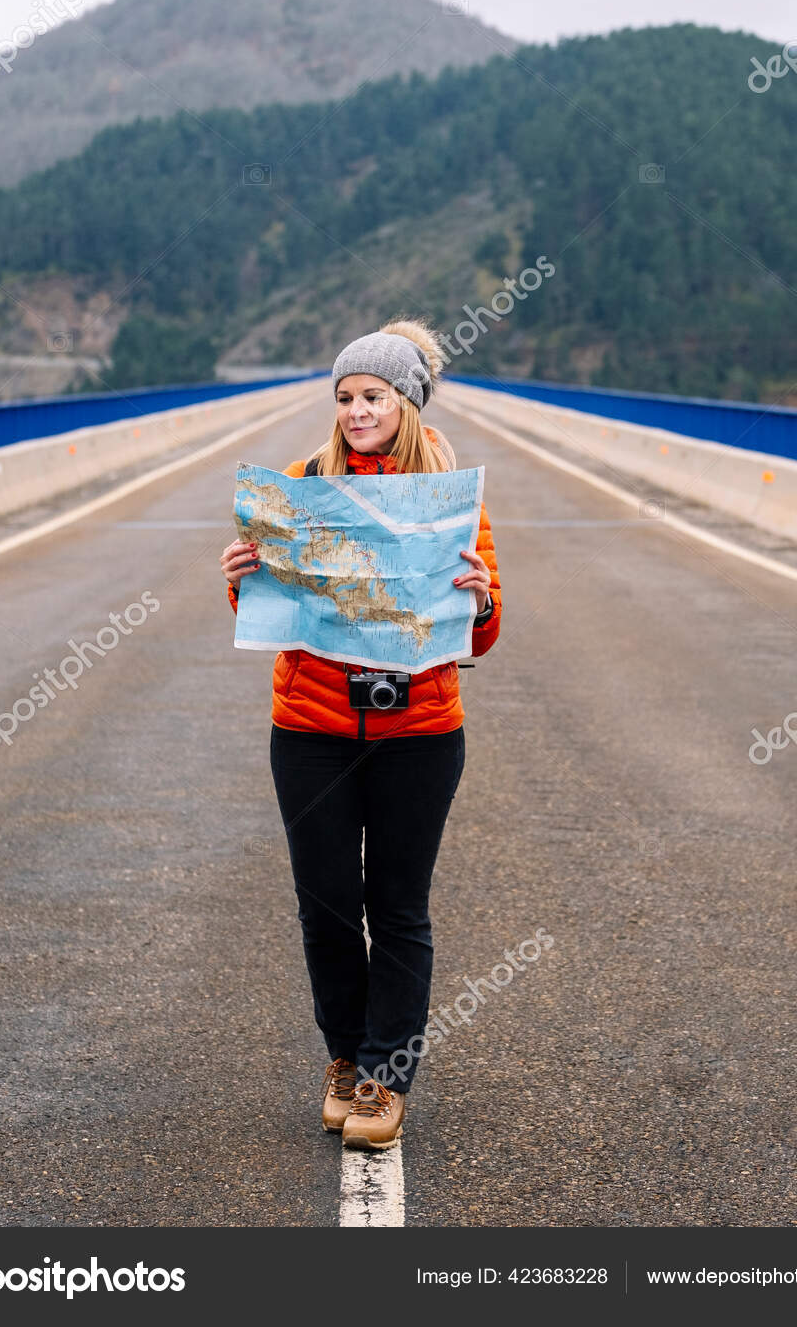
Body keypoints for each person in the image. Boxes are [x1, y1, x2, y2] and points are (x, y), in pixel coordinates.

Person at [220, 317, 501, 1150]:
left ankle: (385, 1076)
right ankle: (343, 1057)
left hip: (419, 731)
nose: (354, 410)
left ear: (405, 403)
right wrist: (242, 581)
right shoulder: (303, 486)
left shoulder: (451, 498)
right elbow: (279, 612)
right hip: (309, 728)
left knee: (398, 906)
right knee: (328, 907)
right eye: (344, 397)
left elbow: (477, 638)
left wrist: (481, 597)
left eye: (372, 396)